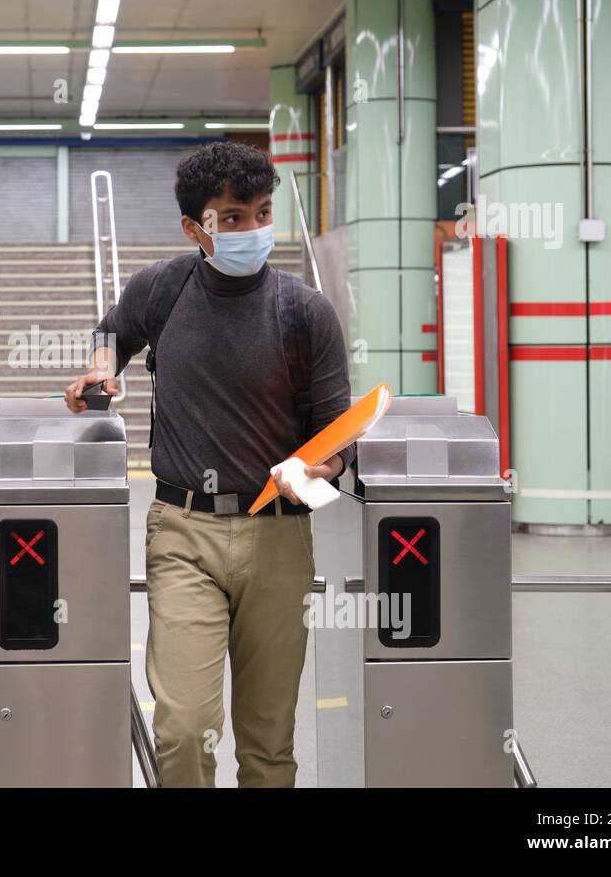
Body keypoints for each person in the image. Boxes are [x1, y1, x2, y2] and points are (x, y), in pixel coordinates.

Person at [64, 141, 352, 788]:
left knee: (269, 745)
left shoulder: (306, 313)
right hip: (183, 532)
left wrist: (319, 469)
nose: (252, 230)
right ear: (195, 227)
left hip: (279, 532)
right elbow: (109, 336)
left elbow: (337, 437)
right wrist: (99, 372)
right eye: (232, 217)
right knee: (185, 729)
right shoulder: (162, 290)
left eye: (261, 213)